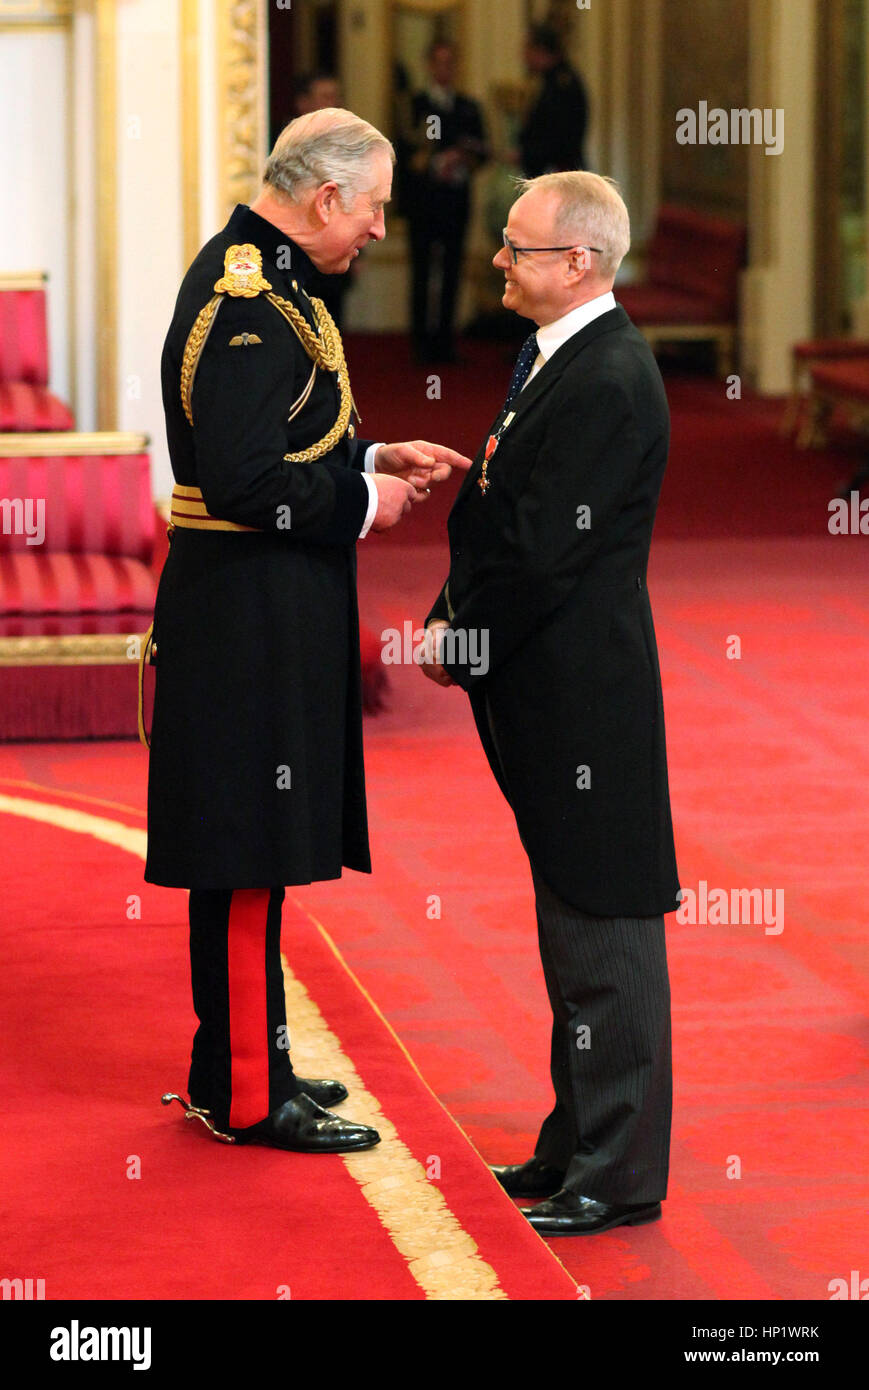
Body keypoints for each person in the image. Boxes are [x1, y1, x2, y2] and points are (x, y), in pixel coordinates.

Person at [146, 108, 470, 1155]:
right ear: (327, 197)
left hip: (266, 603)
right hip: (245, 612)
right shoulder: (248, 298)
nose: (378, 229)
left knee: (266, 846)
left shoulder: (274, 277)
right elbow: (243, 478)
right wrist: (361, 506)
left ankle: (250, 1056)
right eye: (371, 210)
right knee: (246, 847)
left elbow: (292, 433)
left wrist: (370, 459)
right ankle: (244, 1093)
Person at [419, 171, 680, 1234]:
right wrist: (450, 608)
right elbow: (501, 512)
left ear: (577, 262)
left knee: (603, 929)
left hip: (587, 706)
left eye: (515, 247)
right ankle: (575, 1139)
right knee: (570, 923)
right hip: (549, 694)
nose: (496, 259)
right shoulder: (556, 358)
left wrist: (457, 635)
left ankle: (616, 1172)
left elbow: (540, 555)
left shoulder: (608, 377)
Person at [401, 37, 488, 362]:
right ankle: (421, 345)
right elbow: (403, 151)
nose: (445, 68)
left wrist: (462, 159)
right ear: (428, 65)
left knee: (451, 271)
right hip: (423, 202)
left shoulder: (469, 107)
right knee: (422, 272)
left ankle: (445, 343)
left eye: (450, 62)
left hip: (455, 202)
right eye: (439, 62)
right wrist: (436, 161)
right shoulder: (414, 103)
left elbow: (482, 151)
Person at [519, 23, 589, 177]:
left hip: (558, 171)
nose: (524, 56)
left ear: (541, 50)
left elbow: (559, 136)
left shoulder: (562, 85)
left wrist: (528, 154)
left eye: (528, 49)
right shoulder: (550, 81)